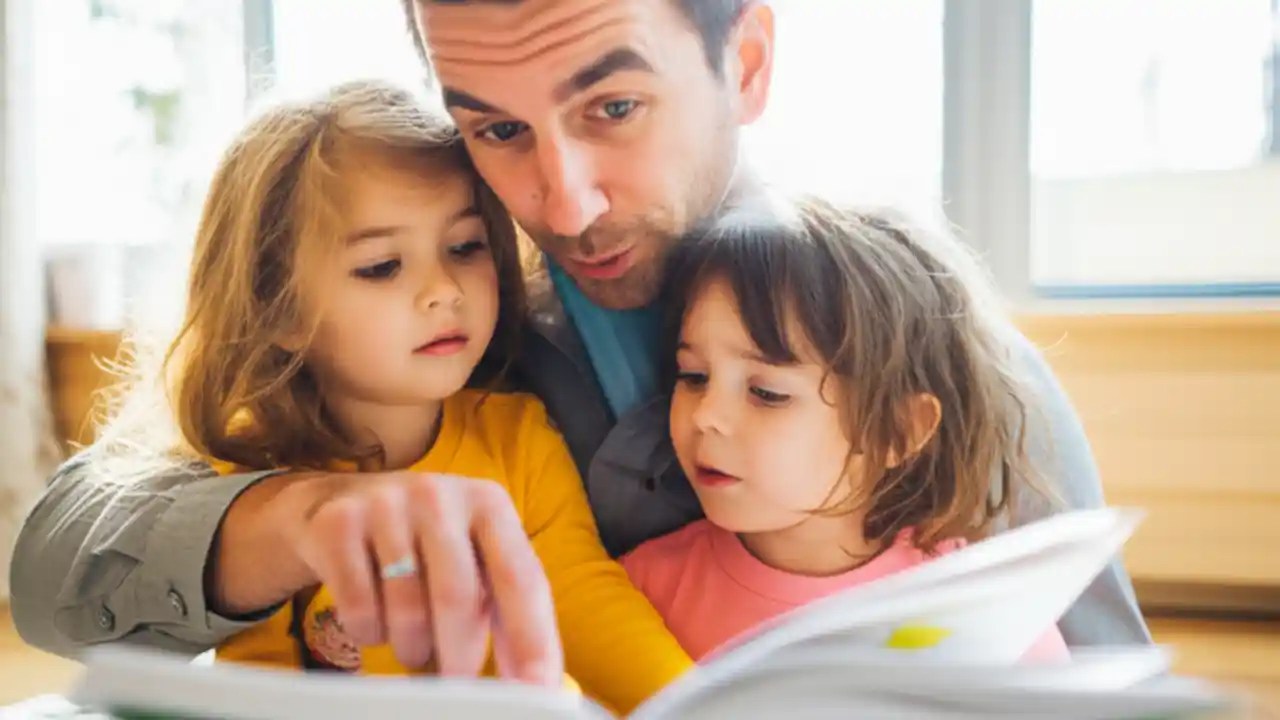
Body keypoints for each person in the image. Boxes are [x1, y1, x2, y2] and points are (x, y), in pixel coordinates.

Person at [11, 0, 1150, 682]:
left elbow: (1098, 673)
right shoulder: (440, 318)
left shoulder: (918, 345)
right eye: (497, 128)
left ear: (744, 64)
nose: (560, 203)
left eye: (612, 108)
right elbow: (58, 572)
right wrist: (299, 516)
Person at [63, 79, 694, 713]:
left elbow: (585, 601)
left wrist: (700, 705)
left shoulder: (519, 435)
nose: (443, 289)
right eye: (382, 266)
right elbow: (258, 686)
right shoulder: (255, 482)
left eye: (464, 246)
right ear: (277, 309)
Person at [623, 198, 1069, 662]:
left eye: (767, 393)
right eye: (693, 376)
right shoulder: (638, 593)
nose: (706, 414)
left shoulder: (985, 610)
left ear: (897, 432)